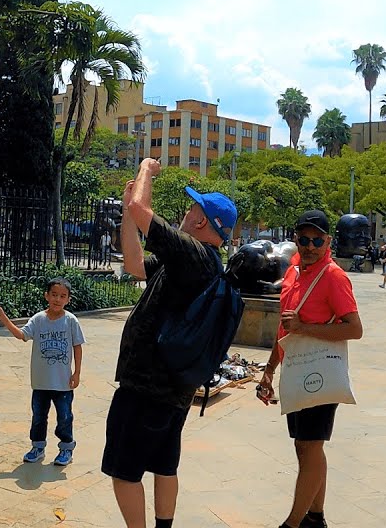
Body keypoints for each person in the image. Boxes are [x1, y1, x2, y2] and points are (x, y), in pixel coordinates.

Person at [105, 158, 234, 528]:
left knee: (125, 472)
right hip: (171, 388)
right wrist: (130, 213)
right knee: (164, 465)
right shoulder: (191, 261)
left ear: (201, 221)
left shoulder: (193, 255)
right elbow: (132, 263)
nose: (186, 211)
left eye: (192, 206)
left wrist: (146, 169)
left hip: (147, 386)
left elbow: (142, 209)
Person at [258, 210, 362, 528]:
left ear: (328, 240)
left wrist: (306, 328)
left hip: (319, 373)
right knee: (304, 445)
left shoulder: (333, 276)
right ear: (296, 240)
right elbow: (284, 329)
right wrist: (269, 370)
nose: (310, 245)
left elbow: (355, 329)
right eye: (304, 239)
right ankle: (315, 516)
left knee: (311, 444)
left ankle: (293, 522)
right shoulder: (292, 273)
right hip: (296, 369)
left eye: (317, 239)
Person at [0, 278, 85, 467]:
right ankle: (38, 447)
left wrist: (76, 373)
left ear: (68, 299)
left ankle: (66, 448)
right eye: (54, 295)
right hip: (41, 382)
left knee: (65, 417)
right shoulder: (38, 319)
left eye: (62, 296)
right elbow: (22, 335)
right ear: (46, 296)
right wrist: (3, 318)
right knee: (38, 417)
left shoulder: (70, 321)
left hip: (62, 383)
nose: (57, 299)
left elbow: (77, 347)